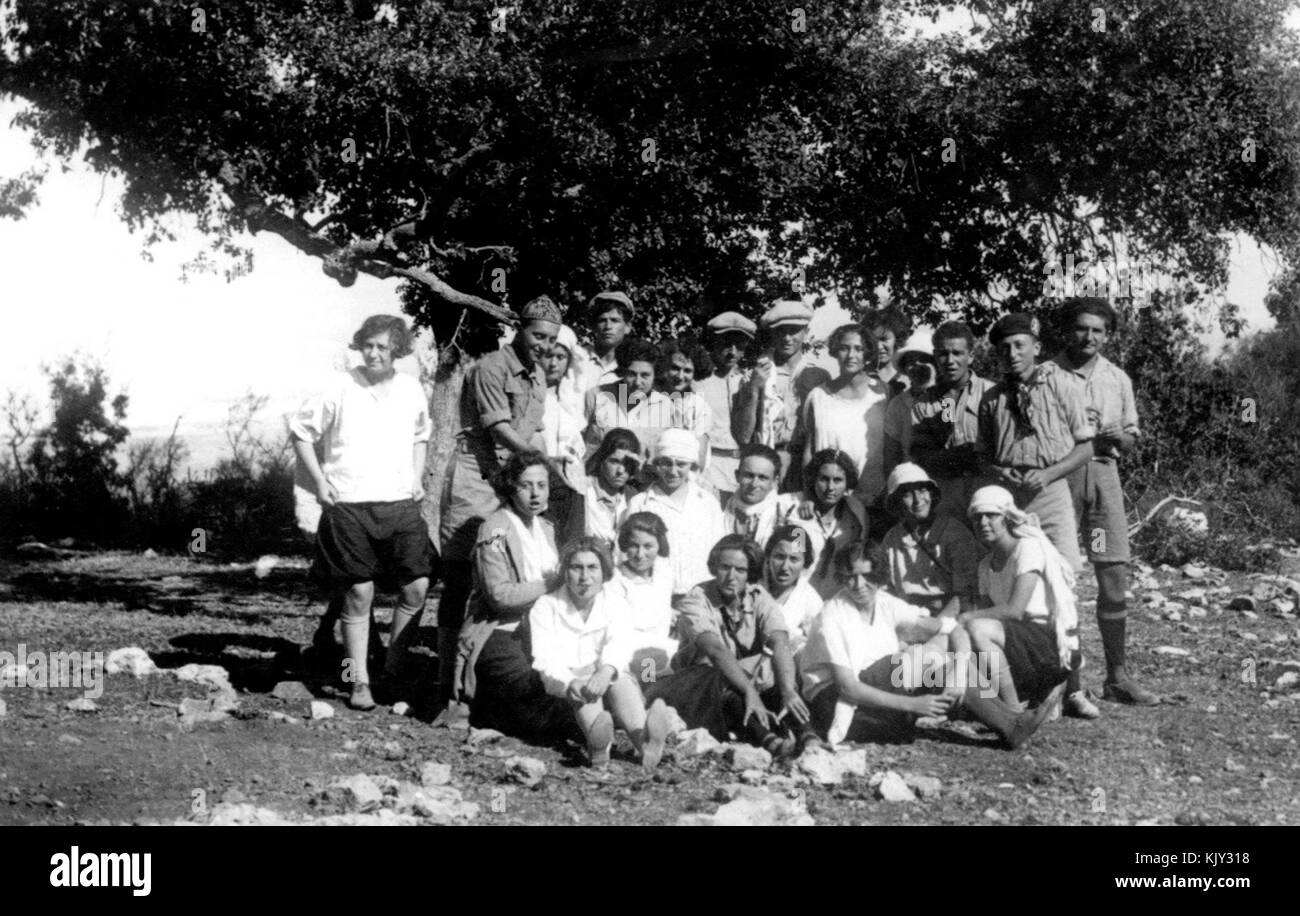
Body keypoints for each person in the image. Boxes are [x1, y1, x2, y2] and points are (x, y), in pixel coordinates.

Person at [289, 315, 438, 710]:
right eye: (368, 345)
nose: (373, 353)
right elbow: (302, 433)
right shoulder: (339, 386)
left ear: (398, 351)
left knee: (417, 586)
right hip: (349, 505)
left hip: (399, 503)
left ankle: (392, 669)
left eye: (383, 347)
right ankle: (358, 683)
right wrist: (320, 483)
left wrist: (417, 477)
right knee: (358, 593)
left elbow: (421, 436)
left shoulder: (410, 390)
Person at [800, 541, 1060, 749]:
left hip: (874, 685)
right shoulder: (831, 617)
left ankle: (1009, 720)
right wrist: (914, 705)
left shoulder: (884, 602)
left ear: (879, 577)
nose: (858, 585)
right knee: (922, 661)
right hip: (836, 702)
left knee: (941, 652)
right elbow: (849, 688)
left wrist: (958, 672)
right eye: (851, 577)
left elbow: (951, 628)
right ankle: (1011, 723)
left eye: (867, 576)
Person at [438, 296, 559, 708]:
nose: (544, 345)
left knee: (512, 572)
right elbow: (502, 430)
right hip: (478, 476)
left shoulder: (539, 376)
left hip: (517, 478)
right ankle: (446, 685)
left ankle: (494, 676)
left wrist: (553, 473)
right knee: (460, 580)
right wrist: (540, 463)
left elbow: (534, 430)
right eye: (537, 335)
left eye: (551, 339)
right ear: (519, 330)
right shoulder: (491, 367)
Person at [975, 312, 1097, 718]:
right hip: (1009, 499)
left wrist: (1047, 474)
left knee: (1063, 585)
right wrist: (1000, 472)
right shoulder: (992, 398)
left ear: (1036, 347)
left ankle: (1074, 687)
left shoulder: (1062, 384)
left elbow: (1085, 448)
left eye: (1020, 345)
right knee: (1018, 588)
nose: (1012, 354)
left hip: (1051, 491)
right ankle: (1030, 682)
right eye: (1004, 347)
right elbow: (984, 455)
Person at [1049, 297, 1159, 707]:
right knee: (1059, 577)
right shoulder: (1046, 374)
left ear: (1107, 335)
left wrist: (1117, 437)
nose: (1089, 337)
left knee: (1110, 572)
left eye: (1097, 330)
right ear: (1067, 331)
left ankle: (1117, 677)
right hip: (1060, 478)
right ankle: (1066, 680)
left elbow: (1132, 439)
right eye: (1081, 328)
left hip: (1103, 476)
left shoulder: (1117, 379)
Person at [646, 535, 811, 756]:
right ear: (714, 568)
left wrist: (788, 690)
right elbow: (715, 650)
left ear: (749, 573)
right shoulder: (696, 599)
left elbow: (779, 640)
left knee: (778, 674)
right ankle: (769, 741)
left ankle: (809, 737)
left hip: (739, 678)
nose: (732, 577)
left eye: (740, 570)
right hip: (697, 685)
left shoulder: (757, 596)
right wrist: (749, 690)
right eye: (725, 567)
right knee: (721, 680)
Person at [461, 451, 576, 739]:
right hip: (502, 632)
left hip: (545, 629)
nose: (536, 494)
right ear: (510, 486)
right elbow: (499, 595)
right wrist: (550, 584)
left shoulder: (546, 528)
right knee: (537, 701)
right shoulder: (496, 529)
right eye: (526, 486)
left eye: (542, 485)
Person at [529, 537, 671, 768]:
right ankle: (599, 746)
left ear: (604, 571)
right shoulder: (546, 607)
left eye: (592, 568)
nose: (585, 577)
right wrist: (569, 682)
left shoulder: (613, 601)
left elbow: (620, 641)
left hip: (604, 676)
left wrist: (607, 670)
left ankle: (645, 743)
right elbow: (545, 657)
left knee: (622, 682)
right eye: (577, 568)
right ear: (565, 572)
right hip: (567, 688)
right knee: (585, 692)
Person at [961, 485, 1076, 721]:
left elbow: (1014, 610)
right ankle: (1004, 700)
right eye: (977, 517)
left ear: (1006, 518)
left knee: (976, 627)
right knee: (966, 639)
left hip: (1044, 642)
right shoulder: (985, 565)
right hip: (1015, 643)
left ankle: (1012, 711)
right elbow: (988, 614)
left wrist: (966, 617)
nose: (983, 522)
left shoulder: (1027, 548)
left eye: (991, 515)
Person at [732, 299, 832, 488]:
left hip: (806, 462)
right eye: (781, 331)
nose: (787, 338)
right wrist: (754, 389)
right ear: (771, 334)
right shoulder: (754, 375)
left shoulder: (819, 377)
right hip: (765, 461)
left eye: (794, 330)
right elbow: (743, 436)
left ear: (806, 333)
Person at [624, 428, 728, 596]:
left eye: (681, 464)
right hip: (652, 597)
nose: (673, 471)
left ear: (692, 465)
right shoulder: (640, 504)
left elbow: (721, 554)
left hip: (701, 599)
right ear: (657, 464)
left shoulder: (708, 504)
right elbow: (624, 556)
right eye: (666, 463)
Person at [799, 323, 890, 508]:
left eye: (858, 349)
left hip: (874, 498)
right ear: (834, 351)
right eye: (844, 348)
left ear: (868, 353)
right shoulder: (818, 397)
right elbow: (809, 452)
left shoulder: (883, 393)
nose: (851, 356)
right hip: (829, 497)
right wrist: (808, 495)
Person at [910, 321, 992, 521]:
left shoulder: (991, 394)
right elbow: (921, 457)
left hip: (986, 494)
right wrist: (961, 455)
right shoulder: (924, 404)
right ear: (936, 356)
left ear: (970, 356)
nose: (950, 360)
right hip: (946, 498)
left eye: (957, 353)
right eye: (943, 354)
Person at [879, 463, 982, 621]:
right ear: (897, 502)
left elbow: (964, 595)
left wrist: (937, 625)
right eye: (907, 494)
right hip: (908, 617)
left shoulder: (954, 532)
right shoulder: (891, 540)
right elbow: (886, 591)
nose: (917, 500)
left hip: (948, 618)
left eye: (922, 490)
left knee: (928, 647)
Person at [608, 512, 678, 681]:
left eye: (648, 546)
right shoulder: (615, 581)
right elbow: (620, 637)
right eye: (634, 546)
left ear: (659, 545)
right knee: (656, 690)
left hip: (666, 652)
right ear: (624, 545)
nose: (640, 554)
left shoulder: (664, 574)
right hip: (635, 662)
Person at [793, 448, 869, 599]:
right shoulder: (797, 512)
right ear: (813, 479)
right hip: (799, 595)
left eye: (838, 480)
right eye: (824, 479)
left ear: (847, 483)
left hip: (837, 596)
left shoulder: (856, 515)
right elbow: (795, 556)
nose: (830, 488)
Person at [696, 312, 756, 499]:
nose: (732, 351)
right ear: (713, 343)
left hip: (741, 465)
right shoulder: (699, 381)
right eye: (725, 344)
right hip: (709, 463)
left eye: (739, 345)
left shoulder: (748, 380)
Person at [583, 339, 676, 460]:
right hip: (595, 475)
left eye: (645, 375)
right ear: (623, 372)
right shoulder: (596, 395)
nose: (637, 382)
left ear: (655, 375)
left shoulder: (665, 406)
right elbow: (576, 439)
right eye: (631, 374)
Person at [556, 428, 641, 548]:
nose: (621, 471)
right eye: (614, 461)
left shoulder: (632, 497)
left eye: (627, 464)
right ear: (602, 460)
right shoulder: (581, 489)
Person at [541, 325, 589, 536]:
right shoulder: (531, 397)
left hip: (572, 485)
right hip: (540, 480)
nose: (553, 363)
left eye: (560, 357)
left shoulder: (573, 399)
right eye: (548, 355)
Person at [882, 330, 936, 478]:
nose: (917, 365)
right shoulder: (898, 405)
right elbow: (891, 456)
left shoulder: (949, 398)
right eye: (911, 361)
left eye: (923, 359)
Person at [723, 443, 798, 549]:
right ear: (737, 475)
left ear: (774, 481)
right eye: (749, 476)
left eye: (762, 478)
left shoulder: (789, 510)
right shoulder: (721, 505)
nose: (754, 484)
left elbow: (800, 555)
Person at [763, 525, 825, 654]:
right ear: (769, 556)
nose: (785, 567)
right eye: (779, 557)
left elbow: (818, 647)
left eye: (794, 559)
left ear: (804, 562)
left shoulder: (810, 599)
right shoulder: (753, 584)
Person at [656, 337, 714, 466]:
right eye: (675, 368)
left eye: (687, 370)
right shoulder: (651, 398)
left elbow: (699, 455)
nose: (680, 376)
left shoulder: (699, 407)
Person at [576, 291, 635, 393]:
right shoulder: (577, 358)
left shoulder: (634, 366)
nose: (608, 327)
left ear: (627, 327)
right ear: (593, 326)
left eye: (615, 320)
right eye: (602, 320)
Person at [863, 306, 910, 396]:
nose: (878, 346)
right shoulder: (862, 373)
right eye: (873, 340)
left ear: (897, 339)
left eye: (884, 339)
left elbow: (944, 403)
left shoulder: (909, 374)